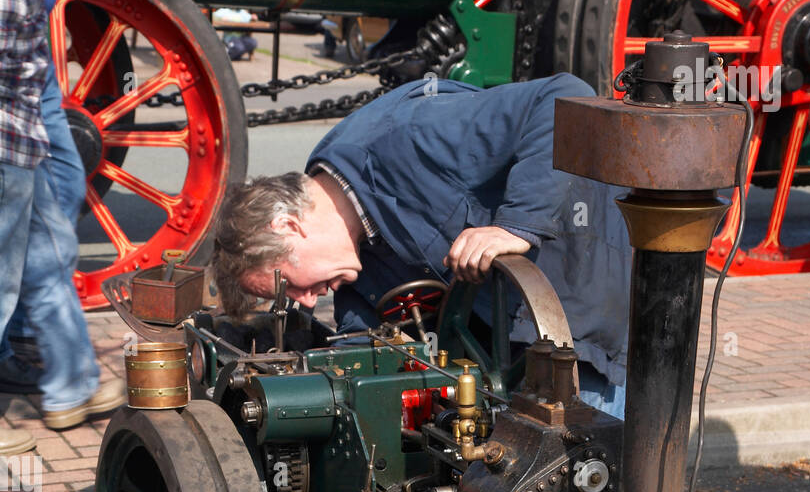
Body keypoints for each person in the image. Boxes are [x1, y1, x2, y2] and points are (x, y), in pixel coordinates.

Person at [212, 74, 631, 417]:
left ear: (289, 225)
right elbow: (370, 334)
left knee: (586, 485)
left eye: (290, 286)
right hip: (511, 345)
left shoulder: (412, 138)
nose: (305, 303)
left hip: (584, 310)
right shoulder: (354, 244)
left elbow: (564, 97)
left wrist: (517, 224)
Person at [0, 0, 124, 449]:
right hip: (11, 111)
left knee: (49, 236)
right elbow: (7, 46)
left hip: (27, 85)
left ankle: (70, 382)